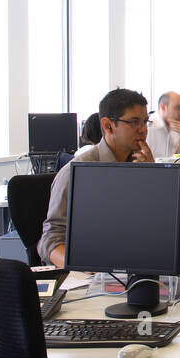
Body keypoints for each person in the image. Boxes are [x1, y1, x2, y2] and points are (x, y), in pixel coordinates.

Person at [38, 88, 154, 268]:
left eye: (146, 122)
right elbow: (50, 241)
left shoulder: (141, 165)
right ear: (108, 126)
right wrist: (89, 272)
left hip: (132, 261)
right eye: (134, 122)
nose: (143, 130)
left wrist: (154, 178)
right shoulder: (76, 172)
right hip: (91, 270)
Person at [146, 91, 180, 158]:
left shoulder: (178, 127)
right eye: (177, 108)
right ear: (163, 107)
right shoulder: (148, 127)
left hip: (173, 168)